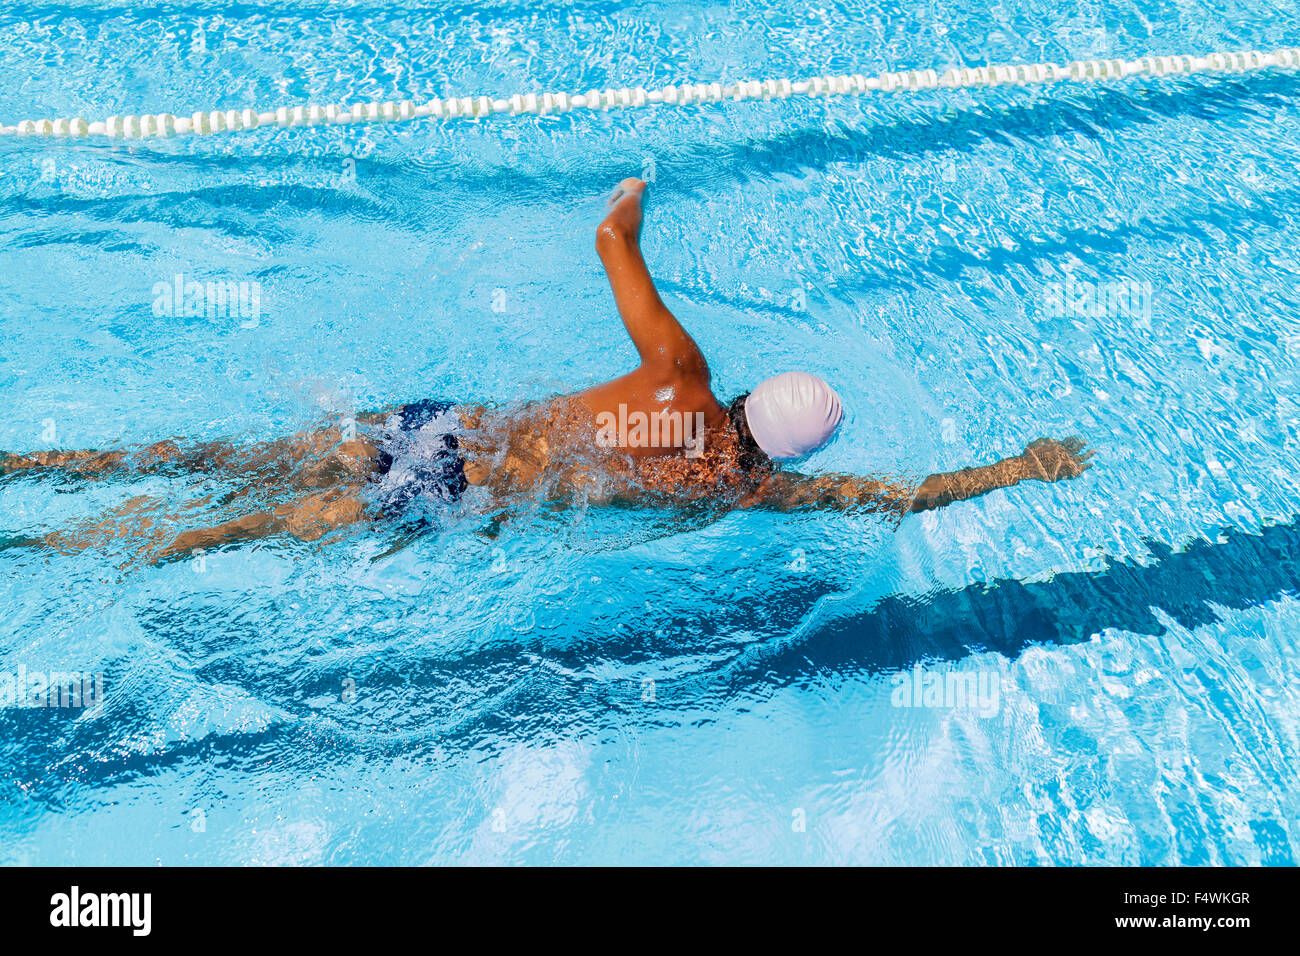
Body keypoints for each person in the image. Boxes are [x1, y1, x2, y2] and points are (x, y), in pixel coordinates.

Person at [0, 178, 1092, 561]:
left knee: (225, 458)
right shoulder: (741, 487)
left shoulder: (679, 372)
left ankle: (39, 468)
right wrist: (1018, 467)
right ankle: (75, 544)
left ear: (752, 393)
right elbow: (891, 498)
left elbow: (611, 244)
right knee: (247, 529)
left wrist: (633, 196)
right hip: (470, 498)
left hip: (451, 428)